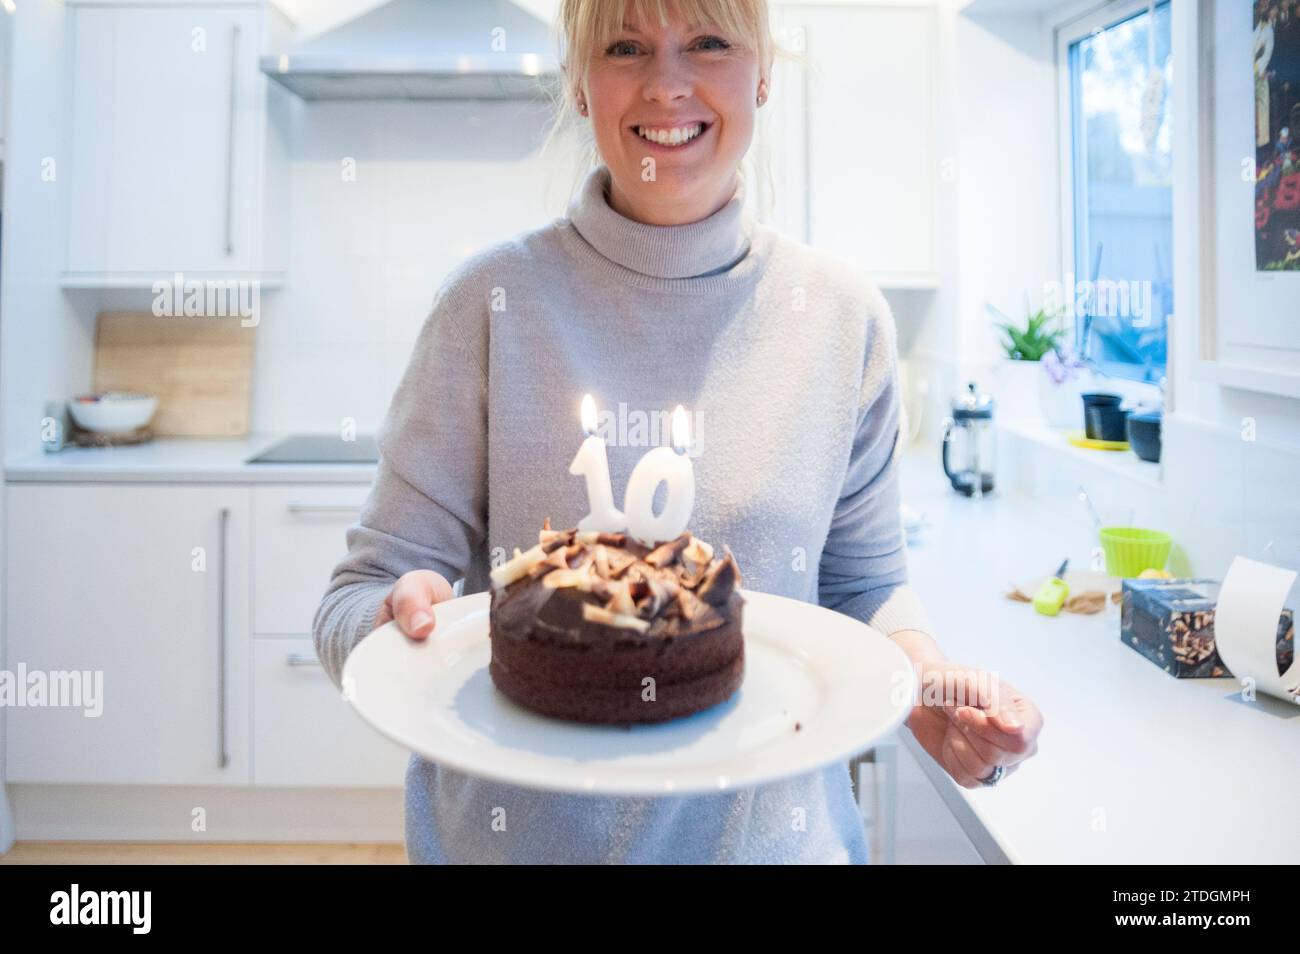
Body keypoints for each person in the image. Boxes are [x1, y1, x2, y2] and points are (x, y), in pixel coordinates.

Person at [314, 0, 1043, 864]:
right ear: (580, 86)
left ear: (764, 72)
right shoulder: (488, 306)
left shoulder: (841, 321)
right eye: (625, 47)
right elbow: (356, 600)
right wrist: (402, 627)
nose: (667, 84)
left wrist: (929, 688)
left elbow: (866, 588)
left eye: (709, 41)